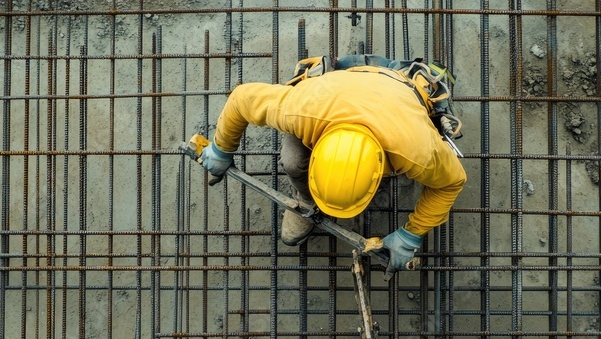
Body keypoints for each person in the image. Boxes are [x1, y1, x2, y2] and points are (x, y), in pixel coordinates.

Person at [197, 54, 467, 276]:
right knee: (292, 161)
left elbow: (452, 181)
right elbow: (242, 99)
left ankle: (331, 193)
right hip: (337, 85)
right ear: (317, 150)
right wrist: (222, 147)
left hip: (401, 87)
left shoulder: (415, 150)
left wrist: (413, 232)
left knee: (421, 169)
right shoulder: (302, 110)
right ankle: (306, 198)